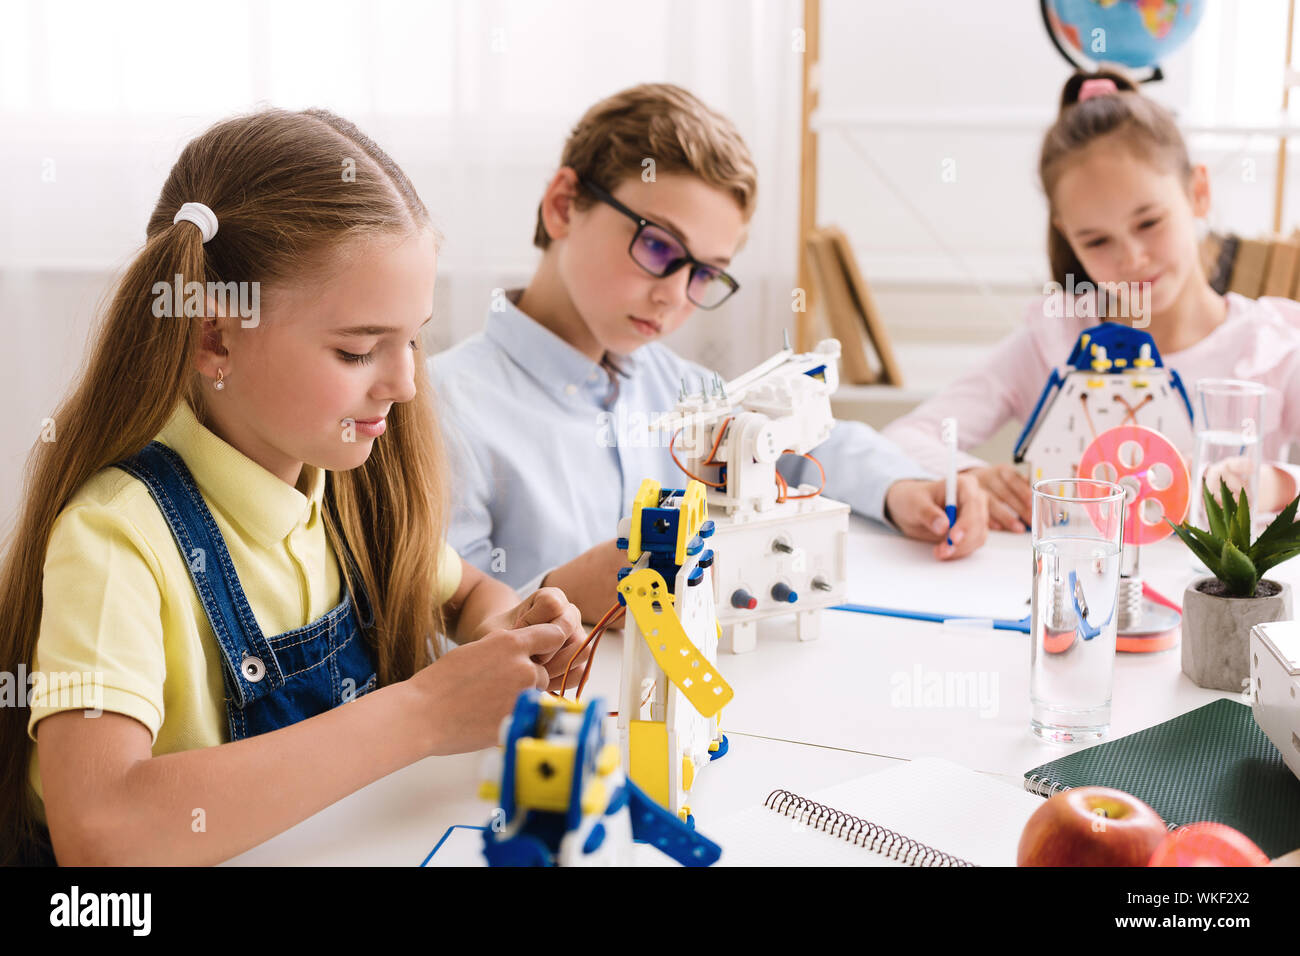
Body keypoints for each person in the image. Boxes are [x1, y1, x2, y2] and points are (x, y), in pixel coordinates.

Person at [0, 108, 587, 866]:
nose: (406, 384)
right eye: (356, 351)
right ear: (214, 337)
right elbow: (102, 830)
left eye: (413, 338)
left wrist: (507, 627)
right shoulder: (117, 537)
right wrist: (424, 713)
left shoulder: (341, 486)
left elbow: (468, 591)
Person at [432, 83, 990, 622]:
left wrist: (902, 489)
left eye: (705, 273)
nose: (674, 295)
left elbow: (802, 445)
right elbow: (446, 636)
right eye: (657, 245)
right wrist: (578, 590)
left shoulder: (676, 385)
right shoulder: (441, 411)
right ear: (562, 206)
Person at [884, 70, 1300, 531]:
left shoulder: (1270, 348)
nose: (1133, 259)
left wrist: (1276, 484)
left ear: (1198, 193)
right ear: (1069, 237)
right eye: (1098, 241)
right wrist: (968, 475)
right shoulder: (1056, 341)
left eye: (1149, 223)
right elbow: (906, 436)